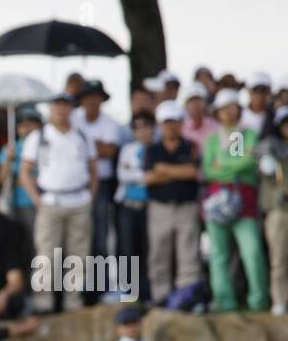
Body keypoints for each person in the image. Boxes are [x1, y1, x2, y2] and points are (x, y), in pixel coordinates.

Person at [21, 92, 97, 312]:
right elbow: (25, 171)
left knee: (78, 254)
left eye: (65, 106)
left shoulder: (81, 135)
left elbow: (93, 169)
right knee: (46, 253)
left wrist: (90, 195)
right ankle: (43, 302)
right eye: (57, 106)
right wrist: (36, 198)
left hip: (78, 198)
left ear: (71, 109)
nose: (61, 110)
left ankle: (73, 301)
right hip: (50, 199)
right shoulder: (38, 136)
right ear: (50, 109)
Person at [202, 89, 269, 311]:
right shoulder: (212, 138)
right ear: (217, 113)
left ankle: (258, 301)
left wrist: (223, 165)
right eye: (224, 108)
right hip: (216, 202)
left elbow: (244, 163)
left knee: (252, 251)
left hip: (244, 201)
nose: (229, 113)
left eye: (232, 107)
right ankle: (224, 302)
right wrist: (226, 167)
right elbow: (208, 170)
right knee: (219, 254)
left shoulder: (243, 135)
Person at [146, 100, 203, 306]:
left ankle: (187, 296)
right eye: (166, 122)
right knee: (159, 253)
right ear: (160, 125)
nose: (171, 126)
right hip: (160, 207)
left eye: (175, 121)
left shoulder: (191, 146)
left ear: (181, 123)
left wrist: (164, 169)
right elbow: (148, 178)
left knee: (188, 253)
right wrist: (179, 172)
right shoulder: (153, 149)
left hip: (186, 206)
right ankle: (161, 296)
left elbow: (193, 172)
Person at [74, 80, 125, 276]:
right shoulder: (74, 119)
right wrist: (96, 145)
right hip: (77, 183)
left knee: (100, 235)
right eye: (88, 97)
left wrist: (83, 145)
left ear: (102, 100)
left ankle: (101, 284)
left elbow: (109, 151)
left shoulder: (110, 123)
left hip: (102, 184)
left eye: (96, 97)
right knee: (78, 236)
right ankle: (80, 285)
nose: (92, 101)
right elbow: (97, 150)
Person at [115, 112, 154, 302]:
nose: (142, 131)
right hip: (129, 206)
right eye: (137, 127)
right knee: (127, 249)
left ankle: (146, 293)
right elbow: (123, 175)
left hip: (151, 206)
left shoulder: (157, 149)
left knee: (147, 250)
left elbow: (155, 176)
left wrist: (137, 173)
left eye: (145, 126)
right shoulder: (127, 149)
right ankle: (128, 292)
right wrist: (146, 176)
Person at [0, 106, 42, 260]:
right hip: (18, 204)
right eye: (23, 125)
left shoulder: (45, 145)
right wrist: (8, 161)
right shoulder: (11, 148)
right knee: (22, 246)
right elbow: (1, 179)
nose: (27, 128)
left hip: (42, 202)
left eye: (32, 123)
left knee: (40, 245)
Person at [257, 105, 288, 314]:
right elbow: (267, 170)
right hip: (279, 210)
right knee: (279, 261)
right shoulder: (268, 147)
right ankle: (280, 300)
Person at [180, 83, 218, 152]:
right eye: (191, 101)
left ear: (205, 103)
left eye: (198, 100)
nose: (195, 104)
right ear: (185, 105)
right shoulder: (180, 127)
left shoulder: (215, 125)